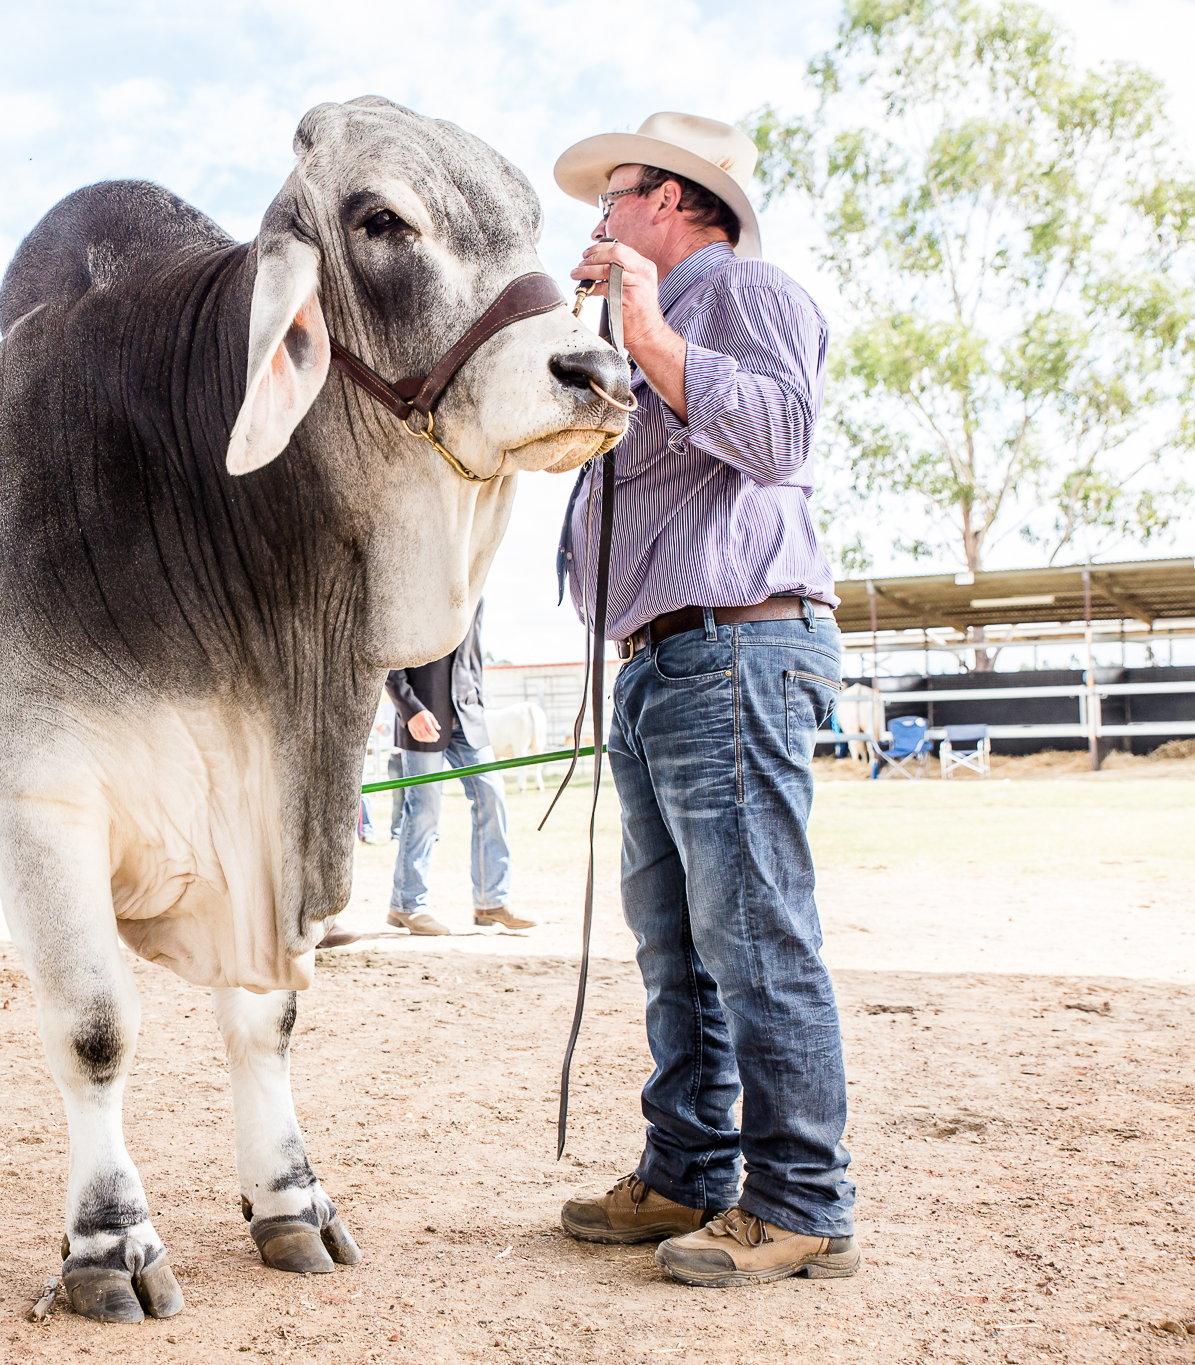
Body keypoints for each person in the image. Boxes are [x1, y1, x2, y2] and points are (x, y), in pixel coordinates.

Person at [550, 114, 857, 1287]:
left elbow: (778, 437)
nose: (598, 216)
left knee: (753, 937)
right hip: (663, 662)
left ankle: (801, 1203)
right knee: (677, 948)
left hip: (733, 647)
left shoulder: (746, 294)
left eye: (614, 194)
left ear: (673, 200)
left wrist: (643, 325)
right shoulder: (645, 327)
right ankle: (686, 1171)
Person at [383, 602, 534, 937]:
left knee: (492, 794)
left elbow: (472, 651)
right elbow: (390, 653)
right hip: (422, 715)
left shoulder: (476, 591)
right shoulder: (412, 587)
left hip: (468, 715)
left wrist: (477, 699)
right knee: (424, 809)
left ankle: (492, 901)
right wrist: (409, 707)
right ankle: (406, 905)